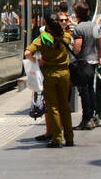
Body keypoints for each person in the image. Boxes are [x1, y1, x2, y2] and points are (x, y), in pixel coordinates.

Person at [25, 10, 74, 147]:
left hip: (50, 75)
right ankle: (69, 138)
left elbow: (28, 53)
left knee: (53, 107)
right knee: (65, 106)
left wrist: (37, 61)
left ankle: (57, 139)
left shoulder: (44, 38)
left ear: (46, 23)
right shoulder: (66, 36)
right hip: (65, 74)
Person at [70, 0, 101, 131]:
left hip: (82, 63)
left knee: (83, 92)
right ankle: (92, 117)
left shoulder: (78, 28)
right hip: (93, 61)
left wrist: (71, 50)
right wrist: (98, 57)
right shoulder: (95, 26)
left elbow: (77, 48)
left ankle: (86, 119)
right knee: (90, 89)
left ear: (77, 14)